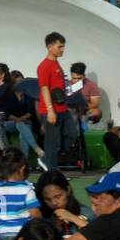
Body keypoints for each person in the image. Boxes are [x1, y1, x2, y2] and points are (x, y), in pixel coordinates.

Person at [0, 147, 40, 240]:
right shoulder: (26, 191)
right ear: (23, 169)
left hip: (2, 236)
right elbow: (36, 215)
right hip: (23, 237)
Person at [36, 31, 77, 171]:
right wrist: (50, 110)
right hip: (51, 110)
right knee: (53, 143)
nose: (62, 49)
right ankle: (52, 171)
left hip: (62, 108)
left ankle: (45, 159)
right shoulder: (44, 66)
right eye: (60, 46)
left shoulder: (56, 64)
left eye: (63, 46)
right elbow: (45, 88)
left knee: (72, 134)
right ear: (50, 46)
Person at [35, 168, 86, 236]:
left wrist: (74, 218)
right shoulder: (41, 216)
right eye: (47, 199)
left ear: (68, 190)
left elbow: (97, 237)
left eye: (58, 197)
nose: (54, 203)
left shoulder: (84, 212)